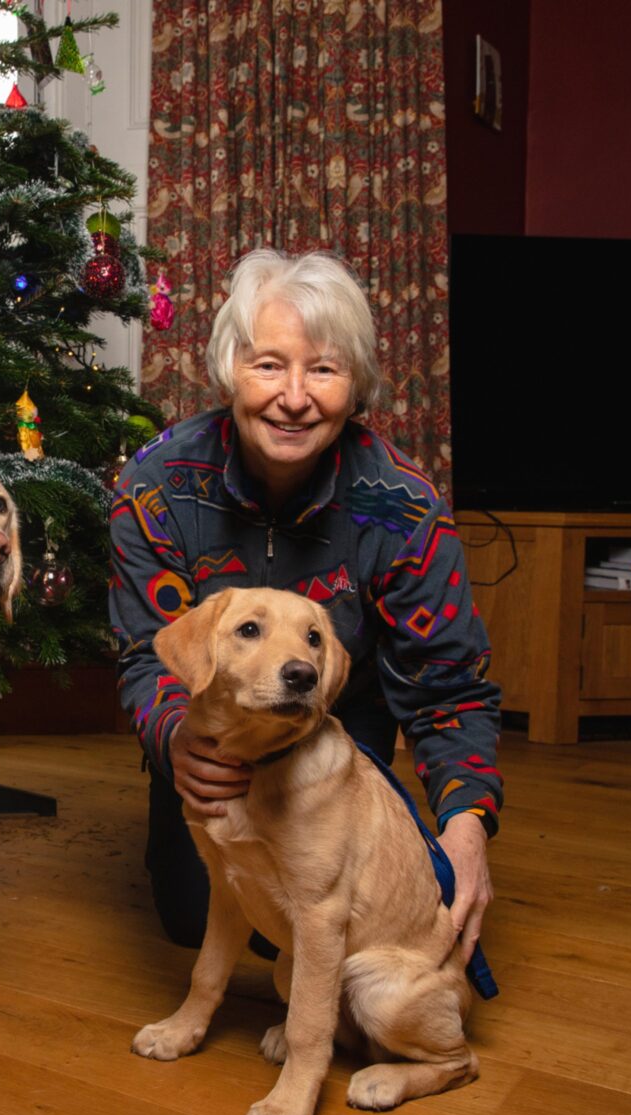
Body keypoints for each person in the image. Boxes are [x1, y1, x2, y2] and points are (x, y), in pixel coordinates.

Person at [109, 249, 502, 969]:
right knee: (193, 918)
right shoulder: (155, 486)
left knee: (339, 918)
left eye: (323, 369)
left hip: (338, 731)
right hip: (215, 731)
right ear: (231, 372)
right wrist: (175, 741)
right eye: (268, 366)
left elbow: (451, 687)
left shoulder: (406, 508)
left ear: (356, 388)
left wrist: (465, 827)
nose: (295, 397)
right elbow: (145, 653)